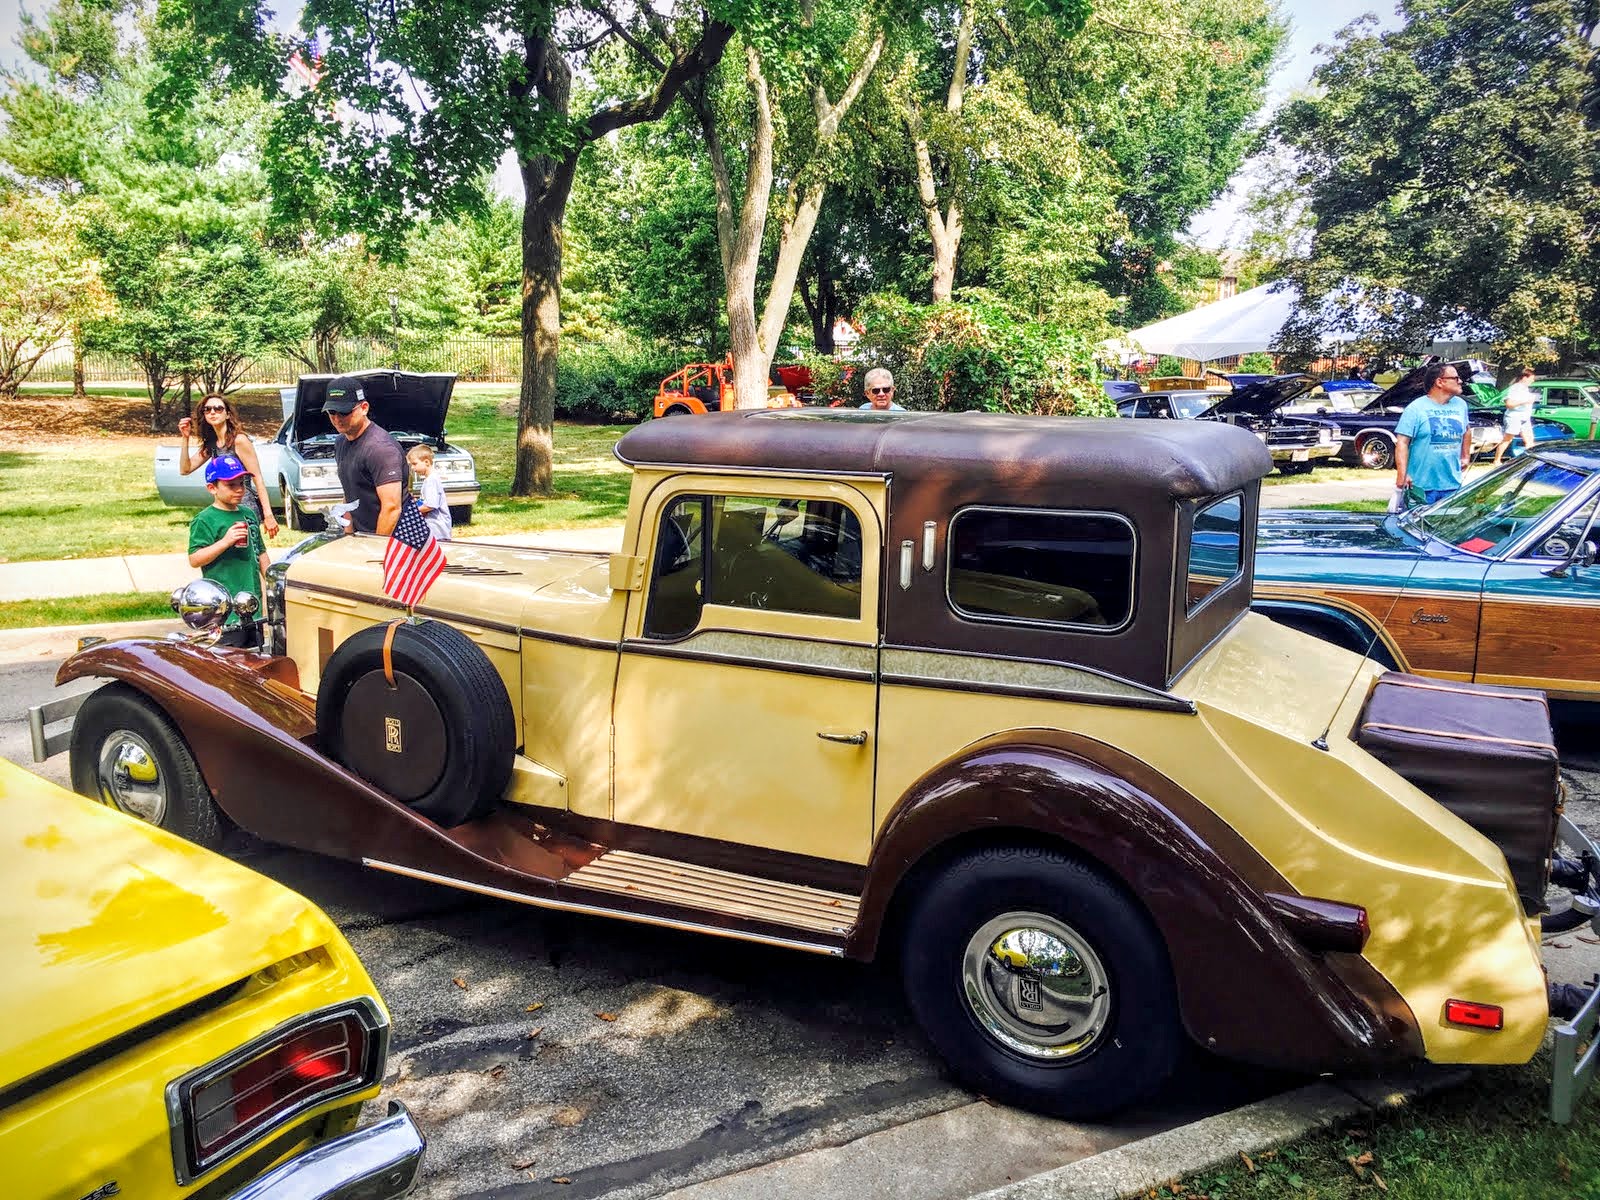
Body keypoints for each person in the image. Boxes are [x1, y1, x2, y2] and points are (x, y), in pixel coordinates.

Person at [187, 454, 270, 649]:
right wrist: (225, 542)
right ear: (212, 488)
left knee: (256, 660)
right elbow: (195, 558)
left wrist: (273, 584)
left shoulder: (248, 514)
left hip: (252, 608)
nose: (239, 489)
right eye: (231, 485)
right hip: (224, 614)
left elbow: (260, 552)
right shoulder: (205, 519)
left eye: (241, 483)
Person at [177, 394, 280, 538]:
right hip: (224, 509)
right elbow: (185, 469)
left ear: (227, 414)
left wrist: (268, 515)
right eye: (208, 409)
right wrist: (185, 438)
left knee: (247, 554)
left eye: (218, 408)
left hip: (244, 508)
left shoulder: (239, 440)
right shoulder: (211, 444)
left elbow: (258, 479)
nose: (212, 412)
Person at [323, 375, 408, 535]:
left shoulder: (380, 449)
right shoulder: (341, 442)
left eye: (344, 412)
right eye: (332, 412)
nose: (337, 418)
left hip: (395, 542)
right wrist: (348, 535)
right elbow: (349, 493)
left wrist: (375, 551)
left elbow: (392, 508)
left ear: (364, 408)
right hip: (362, 539)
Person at [1395, 362, 1472, 505]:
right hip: (1421, 487)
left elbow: (1466, 431)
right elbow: (1402, 442)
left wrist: (1466, 456)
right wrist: (1403, 473)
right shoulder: (1416, 408)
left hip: (1452, 485)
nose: (1460, 381)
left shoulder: (1461, 405)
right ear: (1440, 382)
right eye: (1455, 378)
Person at [1491, 367, 1538, 467]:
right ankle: (1497, 460)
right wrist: (1525, 401)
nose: (1532, 381)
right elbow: (1509, 404)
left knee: (1530, 440)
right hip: (1514, 417)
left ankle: (1530, 461)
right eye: (1531, 379)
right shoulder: (1515, 388)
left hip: (1524, 418)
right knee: (1508, 439)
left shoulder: (1525, 389)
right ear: (1525, 377)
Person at [407, 444, 453, 542]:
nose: (412, 468)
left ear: (427, 462)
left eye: (414, 464)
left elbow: (430, 505)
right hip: (435, 531)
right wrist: (417, 502)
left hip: (438, 531)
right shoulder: (430, 479)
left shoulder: (431, 481)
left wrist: (412, 511)